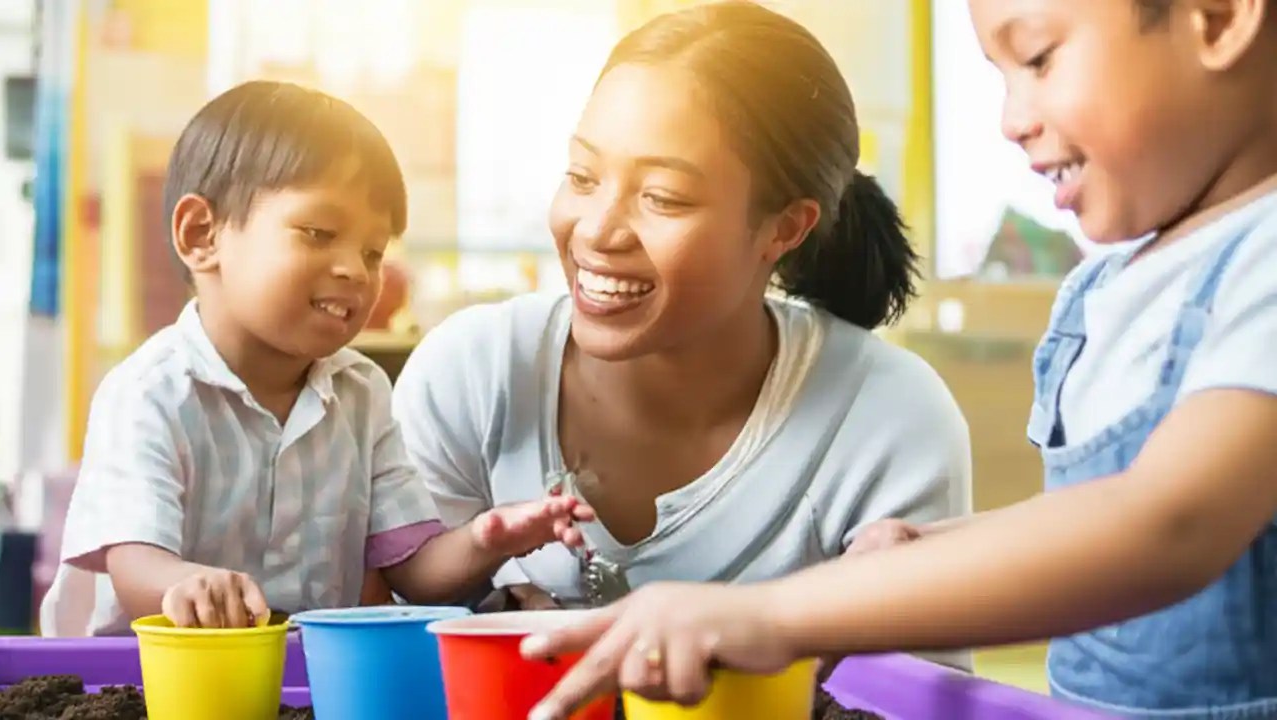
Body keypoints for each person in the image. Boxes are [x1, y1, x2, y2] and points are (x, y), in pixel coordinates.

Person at [521, 0, 1277, 718]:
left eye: (1040, 59)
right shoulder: (1111, 282)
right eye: (999, 76)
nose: (1012, 121)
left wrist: (771, 614)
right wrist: (935, 547)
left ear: (1218, 17)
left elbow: (1168, 524)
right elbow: (1104, 513)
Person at [393, 0, 970, 661]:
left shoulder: (886, 416)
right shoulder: (473, 374)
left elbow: (916, 695)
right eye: (582, 176)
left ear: (785, 227)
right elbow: (381, 635)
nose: (597, 231)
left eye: (663, 197)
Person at [38, 81, 593, 636]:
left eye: (374, 251)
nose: (356, 269)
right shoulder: (148, 391)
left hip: (307, 680)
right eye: (318, 233)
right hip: (147, 679)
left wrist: (488, 537)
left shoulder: (362, 393)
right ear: (201, 234)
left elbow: (416, 570)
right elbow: (136, 568)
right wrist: (187, 583)